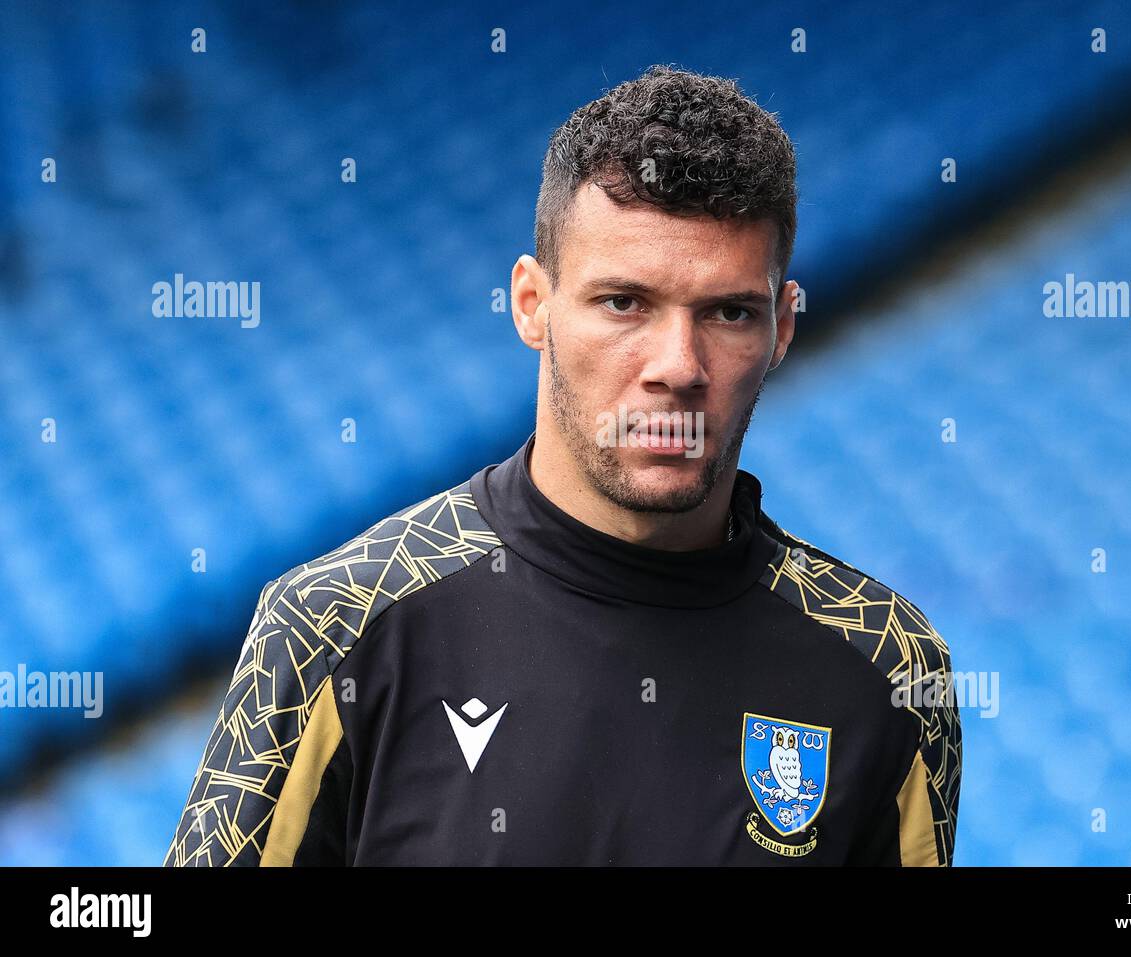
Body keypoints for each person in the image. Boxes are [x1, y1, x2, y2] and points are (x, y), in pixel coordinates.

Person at [164, 64, 961, 867]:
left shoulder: (886, 668)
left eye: (727, 312)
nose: (677, 365)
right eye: (624, 303)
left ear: (782, 328)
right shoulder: (334, 627)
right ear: (531, 304)